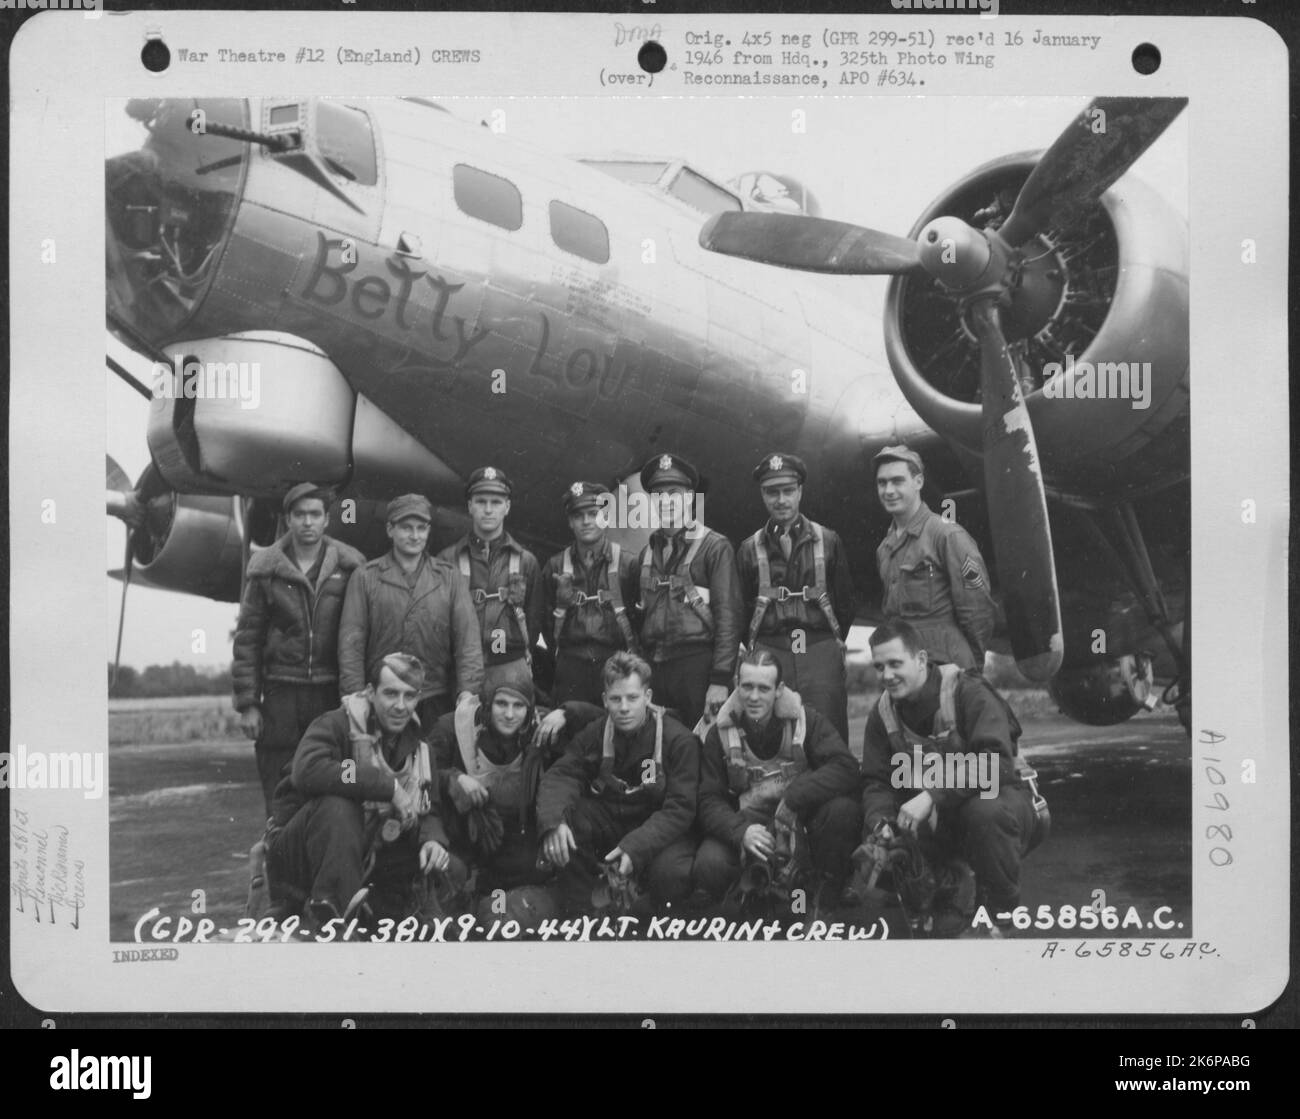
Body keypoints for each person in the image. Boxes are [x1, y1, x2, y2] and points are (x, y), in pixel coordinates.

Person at [859, 621, 1047, 930]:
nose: (887, 675)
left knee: (984, 812)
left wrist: (931, 796)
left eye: (895, 663)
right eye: (879, 667)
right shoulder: (882, 714)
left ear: (920, 660)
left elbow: (996, 763)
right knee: (869, 821)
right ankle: (943, 890)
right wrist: (880, 823)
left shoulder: (967, 691)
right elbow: (876, 781)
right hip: (942, 817)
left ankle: (1000, 914)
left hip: (1002, 805)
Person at [264, 653, 455, 926]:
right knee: (339, 805)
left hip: (368, 860)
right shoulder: (337, 724)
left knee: (445, 874)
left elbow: (430, 807)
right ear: (369, 692)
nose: (400, 706)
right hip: (297, 861)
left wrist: (432, 840)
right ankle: (331, 910)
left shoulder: (420, 749)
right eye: (390, 694)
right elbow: (308, 769)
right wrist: (386, 786)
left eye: (409, 696)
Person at [233, 483, 366, 815]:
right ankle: (278, 854)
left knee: (337, 776)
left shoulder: (349, 567)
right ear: (288, 519)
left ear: (326, 520)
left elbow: (361, 632)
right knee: (280, 783)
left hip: (330, 691)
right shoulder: (264, 568)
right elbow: (248, 638)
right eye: (300, 515)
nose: (308, 522)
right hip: (281, 692)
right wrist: (248, 704)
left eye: (315, 514)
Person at [536, 651, 700, 915]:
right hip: (614, 819)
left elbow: (680, 809)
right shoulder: (597, 732)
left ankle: (652, 918)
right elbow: (563, 775)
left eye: (632, 698)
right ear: (605, 701)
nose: (624, 708)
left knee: (671, 873)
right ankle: (586, 916)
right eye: (616, 699)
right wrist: (554, 822)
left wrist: (635, 847)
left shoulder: (679, 740)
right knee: (572, 822)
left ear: (647, 697)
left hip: (659, 829)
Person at [694, 650, 861, 907]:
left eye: (764, 688)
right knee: (709, 864)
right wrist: (742, 832)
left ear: (779, 689)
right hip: (751, 822)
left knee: (842, 811)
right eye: (747, 686)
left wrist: (794, 798)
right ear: (737, 684)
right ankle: (751, 898)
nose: (753, 696)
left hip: (800, 818)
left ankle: (824, 896)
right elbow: (708, 799)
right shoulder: (719, 733)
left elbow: (846, 767)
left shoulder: (807, 720)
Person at [428, 676, 602, 894]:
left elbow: (602, 722)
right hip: (462, 827)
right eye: (501, 704)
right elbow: (425, 771)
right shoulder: (453, 725)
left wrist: (567, 712)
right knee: (451, 869)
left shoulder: (540, 726)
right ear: (488, 705)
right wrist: (455, 778)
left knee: (533, 866)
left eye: (518, 705)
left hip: (511, 829)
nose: (509, 715)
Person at [737, 452, 857, 741]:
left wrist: (824, 643)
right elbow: (739, 609)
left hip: (818, 649)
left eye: (788, 491)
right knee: (773, 735)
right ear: (762, 494)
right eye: (772, 492)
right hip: (771, 652)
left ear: (800, 491)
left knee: (828, 731)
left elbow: (846, 604)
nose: (781, 500)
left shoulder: (828, 541)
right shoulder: (748, 549)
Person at [338, 493, 483, 729]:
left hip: (433, 698)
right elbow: (350, 643)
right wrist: (354, 696)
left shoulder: (450, 577)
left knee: (432, 762)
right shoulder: (365, 577)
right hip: (382, 699)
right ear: (389, 529)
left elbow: (468, 643)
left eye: (421, 528)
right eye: (406, 528)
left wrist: (468, 694)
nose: (415, 536)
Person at [635, 453, 742, 729]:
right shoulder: (646, 554)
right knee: (663, 750)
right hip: (657, 668)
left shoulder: (714, 547)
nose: (666, 501)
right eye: (658, 494)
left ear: (690, 497)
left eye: (674, 493)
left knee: (707, 751)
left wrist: (719, 681)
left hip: (698, 668)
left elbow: (729, 618)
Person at [874, 445, 995, 670]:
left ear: (918, 481)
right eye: (882, 483)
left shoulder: (947, 535)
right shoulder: (885, 548)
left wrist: (972, 666)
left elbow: (977, 608)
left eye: (898, 481)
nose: (888, 490)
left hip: (945, 666)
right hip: (905, 669)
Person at [438, 466, 544, 696]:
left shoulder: (527, 562)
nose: (488, 510)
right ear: (469, 506)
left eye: (496, 502)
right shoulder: (448, 560)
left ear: (507, 507)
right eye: (481, 501)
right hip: (461, 670)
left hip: (510, 668)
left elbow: (534, 622)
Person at [542, 481, 641, 706]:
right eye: (578, 516)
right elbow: (545, 622)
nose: (586, 521)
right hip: (570, 667)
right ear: (570, 522)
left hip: (614, 666)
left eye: (593, 513)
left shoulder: (628, 564)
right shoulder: (555, 566)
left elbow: (639, 620)